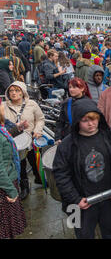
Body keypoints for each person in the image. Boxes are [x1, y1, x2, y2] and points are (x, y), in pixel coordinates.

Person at [52, 98, 111, 239]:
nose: (91, 124)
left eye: (94, 119)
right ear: (77, 121)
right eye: (85, 120)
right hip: (80, 204)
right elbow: (61, 175)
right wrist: (75, 199)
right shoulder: (67, 145)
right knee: (83, 234)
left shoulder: (110, 136)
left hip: (108, 199)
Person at [3, 81, 45, 200]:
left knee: (35, 160)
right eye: (11, 91)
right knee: (20, 164)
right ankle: (24, 185)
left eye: (17, 91)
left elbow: (40, 119)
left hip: (32, 139)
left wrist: (37, 130)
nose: (14, 93)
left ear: (23, 92)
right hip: (15, 143)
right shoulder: (3, 107)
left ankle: (39, 178)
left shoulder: (31, 104)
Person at [0, 104, 27, 239]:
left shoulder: (1, 129)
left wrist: (18, 129)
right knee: (6, 229)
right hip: (5, 186)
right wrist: (11, 190)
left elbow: (5, 138)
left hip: (9, 181)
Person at [55, 78, 92, 144]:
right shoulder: (66, 103)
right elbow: (60, 122)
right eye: (70, 87)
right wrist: (58, 138)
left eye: (74, 87)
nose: (71, 89)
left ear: (82, 88)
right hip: (68, 138)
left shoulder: (89, 103)